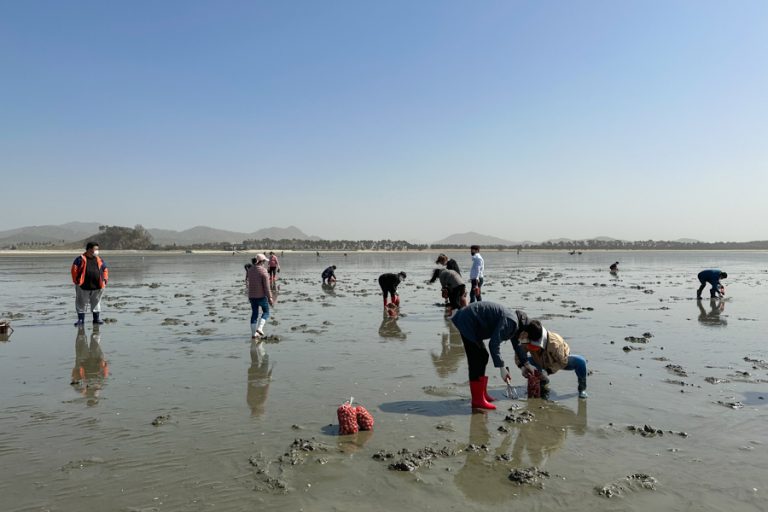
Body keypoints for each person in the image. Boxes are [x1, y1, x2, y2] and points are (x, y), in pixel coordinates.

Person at [450, 301, 533, 410]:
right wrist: (502, 368)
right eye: (525, 335)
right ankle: (477, 400)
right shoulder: (511, 322)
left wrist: (525, 364)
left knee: (483, 356)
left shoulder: (515, 325)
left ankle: (482, 394)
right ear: (523, 329)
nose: (524, 338)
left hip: (471, 320)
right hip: (468, 320)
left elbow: (517, 345)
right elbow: (493, 344)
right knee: (477, 359)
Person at [516, 320, 588, 399]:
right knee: (527, 364)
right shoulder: (525, 337)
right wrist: (522, 367)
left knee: (581, 362)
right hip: (538, 360)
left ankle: (582, 389)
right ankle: (540, 384)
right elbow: (519, 355)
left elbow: (562, 362)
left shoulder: (555, 343)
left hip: (557, 361)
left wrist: (547, 371)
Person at [71, 241, 109, 326]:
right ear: (89, 249)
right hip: (83, 285)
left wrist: (105, 280)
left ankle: (96, 319)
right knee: (81, 303)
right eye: (95, 249)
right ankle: (81, 320)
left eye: (97, 249)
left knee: (96, 302)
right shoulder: (80, 259)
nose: (97, 251)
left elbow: (105, 269)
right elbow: (74, 270)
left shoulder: (99, 259)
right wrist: (76, 281)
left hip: (98, 286)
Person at [246, 254, 274, 338]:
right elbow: (267, 286)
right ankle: (260, 328)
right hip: (261, 296)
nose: (265, 263)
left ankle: (253, 334)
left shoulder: (250, 270)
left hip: (251, 296)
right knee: (266, 312)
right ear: (262, 261)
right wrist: (270, 297)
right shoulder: (263, 271)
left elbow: (247, 281)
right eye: (264, 261)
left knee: (254, 314)